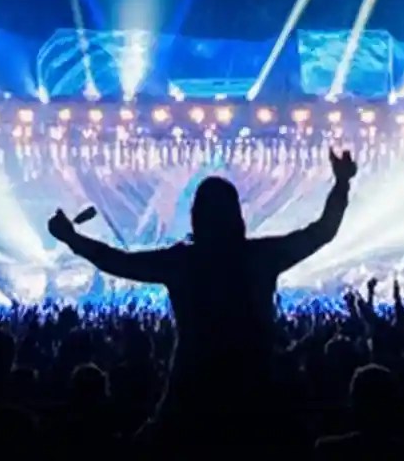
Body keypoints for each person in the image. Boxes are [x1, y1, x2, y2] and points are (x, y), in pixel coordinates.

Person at [47, 148, 357, 443]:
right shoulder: (261, 256)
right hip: (256, 386)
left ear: (196, 215)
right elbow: (322, 232)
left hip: (192, 387)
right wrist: (342, 183)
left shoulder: (183, 262)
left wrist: (72, 238)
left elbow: (116, 261)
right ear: (236, 213)